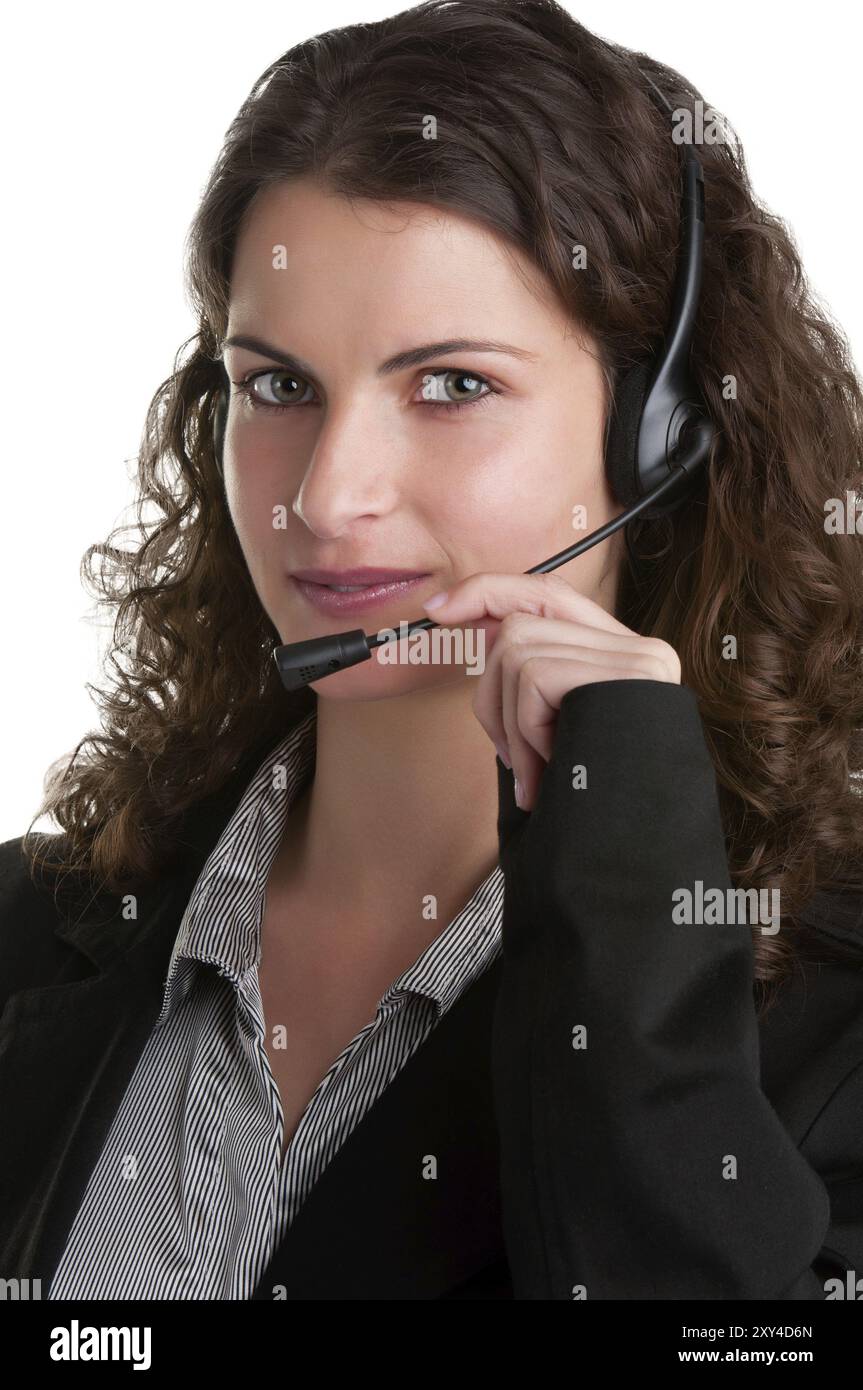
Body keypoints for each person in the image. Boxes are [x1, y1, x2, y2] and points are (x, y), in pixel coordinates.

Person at [2, 0, 862, 1302]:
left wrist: (623, 880)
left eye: (451, 386)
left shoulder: (837, 1018)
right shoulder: (35, 924)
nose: (332, 498)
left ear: (660, 439)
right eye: (279, 387)